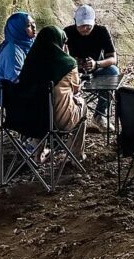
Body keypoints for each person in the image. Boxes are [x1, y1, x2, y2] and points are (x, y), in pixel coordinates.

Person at [18, 26, 87, 160]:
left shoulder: (29, 62)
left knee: (40, 104)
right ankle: (76, 155)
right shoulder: (68, 63)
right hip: (59, 122)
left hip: (29, 120)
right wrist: (67, 55)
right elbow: (76, 89)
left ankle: (38, 153)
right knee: (82, 104)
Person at [64, 4, 118, 132]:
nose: (84, 29)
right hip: (72, 71)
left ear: (94, 22)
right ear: (75, 23)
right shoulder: (67, 32)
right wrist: (73, 62)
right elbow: (60, 55)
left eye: (88, 26)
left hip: (96, 70)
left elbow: (113, 59)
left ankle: (100, 115)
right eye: (81, 26)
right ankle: (69, 115)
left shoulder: (101, 31)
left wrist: (96, 64)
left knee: (113, 71)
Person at [0, 11, 37, 105]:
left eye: (33, 23)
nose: (34, 27)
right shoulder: (13, 51)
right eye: (28, 25)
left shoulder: (25, 44)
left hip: (19, 88)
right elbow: (14, 79)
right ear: (17, 29)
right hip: (8, 94)